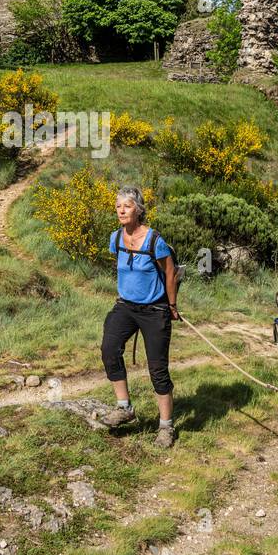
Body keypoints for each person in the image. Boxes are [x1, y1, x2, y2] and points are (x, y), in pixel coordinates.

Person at [99, 186, 180, 448]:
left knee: (157, 368)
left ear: (139, 209)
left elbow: (170, 273)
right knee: (109, 349)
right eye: (118, 205)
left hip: (155, 309)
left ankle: (166, 426)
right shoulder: (115, 238)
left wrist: (172, 304)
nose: (121, 210)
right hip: (125, 306)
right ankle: (125, 408)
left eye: (128, 205)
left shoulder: (155, 240)